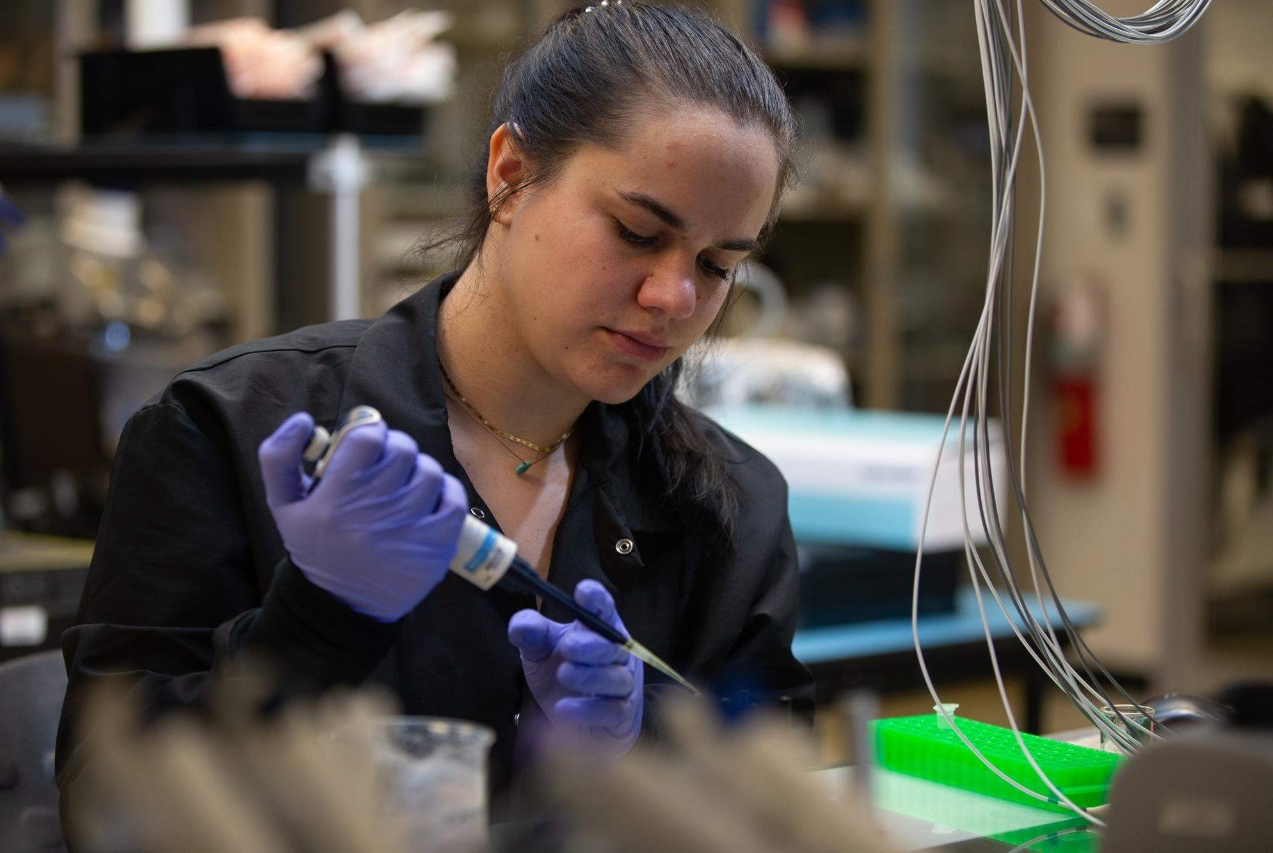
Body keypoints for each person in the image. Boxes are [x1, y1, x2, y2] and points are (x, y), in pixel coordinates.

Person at [56, 0, 814, 817]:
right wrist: (317, 620)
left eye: (716, 262)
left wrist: (646, 743)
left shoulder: (730, 503)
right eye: (636, 232)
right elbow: (108, 807)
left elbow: (776, 805)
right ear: (511, 175)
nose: (673, 294)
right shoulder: (223, 428)